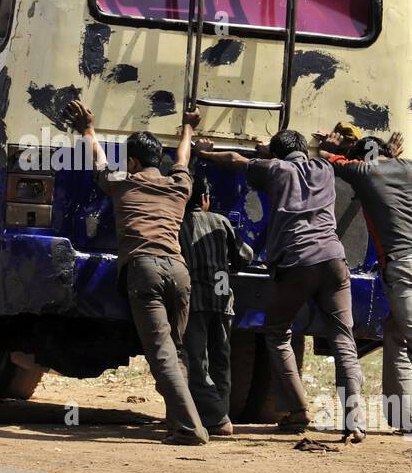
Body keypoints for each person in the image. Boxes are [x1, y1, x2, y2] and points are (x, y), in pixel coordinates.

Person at [197, 130, 365, 441]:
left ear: (275, 154)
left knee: (276, 332)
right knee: (344, 339)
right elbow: (332, 153)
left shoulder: (274, 170)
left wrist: (205, 153)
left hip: (296, 264)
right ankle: (353, 421)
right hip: (333, 261)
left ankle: (298, 411)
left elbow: (235, 160)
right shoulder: (324, 169)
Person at [65, 99, 209, 445]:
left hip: (144, 271)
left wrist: (88, 129)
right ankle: (177, 423)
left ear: (131, 161)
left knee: (160, 353)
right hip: (179, 272)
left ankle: (191, 428)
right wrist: (188, 127)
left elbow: (98, 161)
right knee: (176, 350)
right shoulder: (179, 187)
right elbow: (183, 159)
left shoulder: (123, 183)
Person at [318, 127, 412, 437]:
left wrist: (329, 145)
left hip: (402, 268)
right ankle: (402, 415)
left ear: (362, 158)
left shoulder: (363, 172)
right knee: (395, 333)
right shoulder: (409, 168)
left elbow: (329, 159)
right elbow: (385, 160)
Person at [179, 172, 254, 436]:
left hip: (195, 301)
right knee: (221, 359)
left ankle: (216, 418)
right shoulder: (221, 222)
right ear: (205, 198)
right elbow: (244, 255)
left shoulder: (178, 225)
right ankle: (220, 413)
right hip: (222, 300)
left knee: (197, 361)